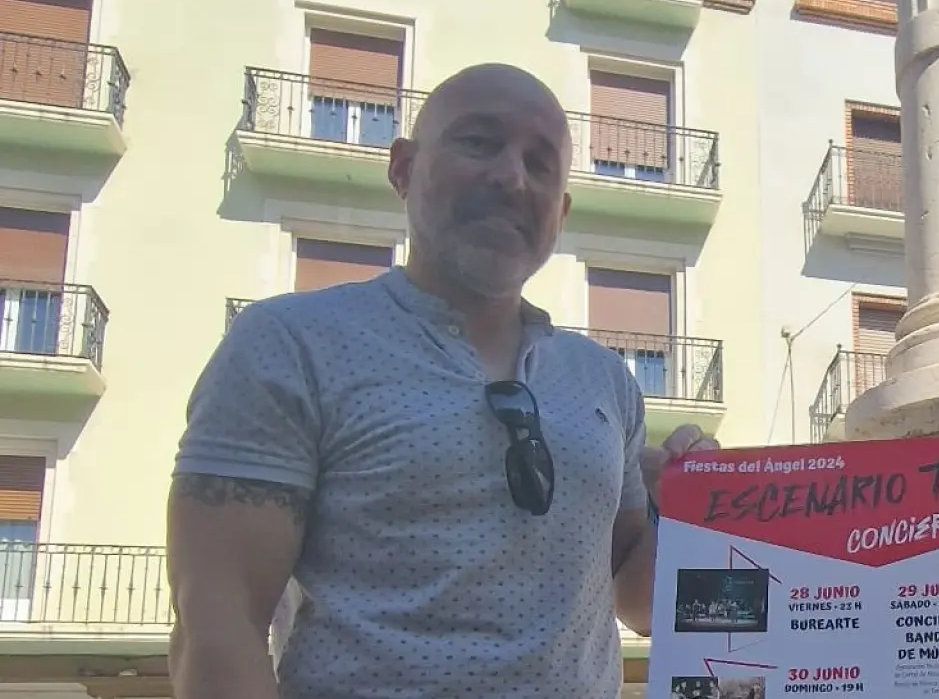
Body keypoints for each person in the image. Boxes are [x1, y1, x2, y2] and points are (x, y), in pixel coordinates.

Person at [168, 63, 717, 699]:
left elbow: (638, 600)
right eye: (479, 143)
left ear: (560, 212)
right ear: (402, 168)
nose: (511, 177)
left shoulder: (606, 381)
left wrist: (694, 509)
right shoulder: (289, 344)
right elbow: (217, 624)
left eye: (540, 165)